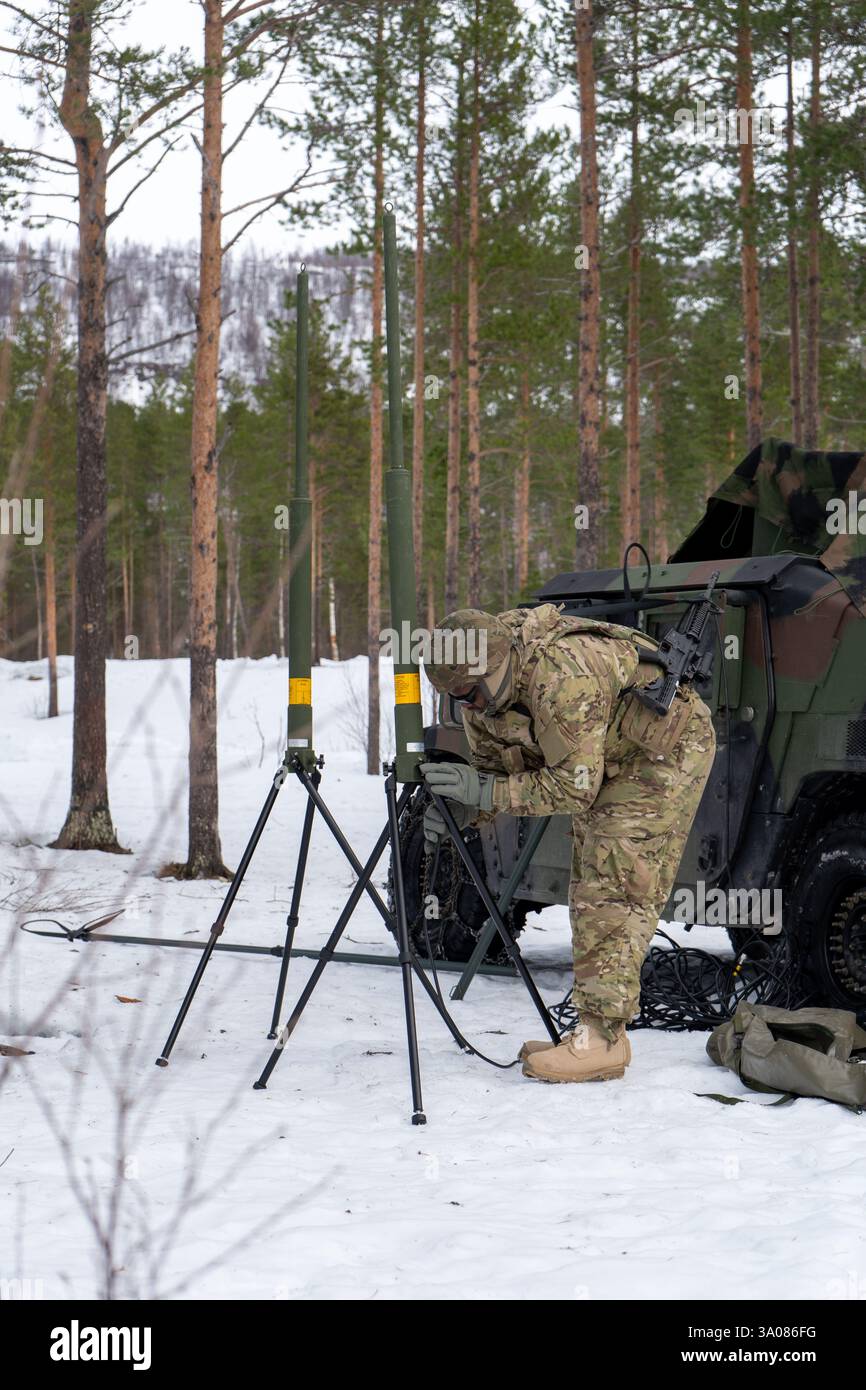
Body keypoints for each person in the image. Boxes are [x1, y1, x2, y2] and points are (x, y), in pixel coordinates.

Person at [422, 603, 716, 1083]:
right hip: (602, 756)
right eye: (456, 699)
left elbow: (573, 789)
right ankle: (593, 1033)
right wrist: (466, 807)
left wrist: (487, 792)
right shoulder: (481, 699)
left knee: (614, 881)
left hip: (661, 751)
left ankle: (601, 1040)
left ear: (495, 668)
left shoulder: (561, 674)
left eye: (471, 693)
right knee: (590, 882)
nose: (468, 706)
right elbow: (500, 774)